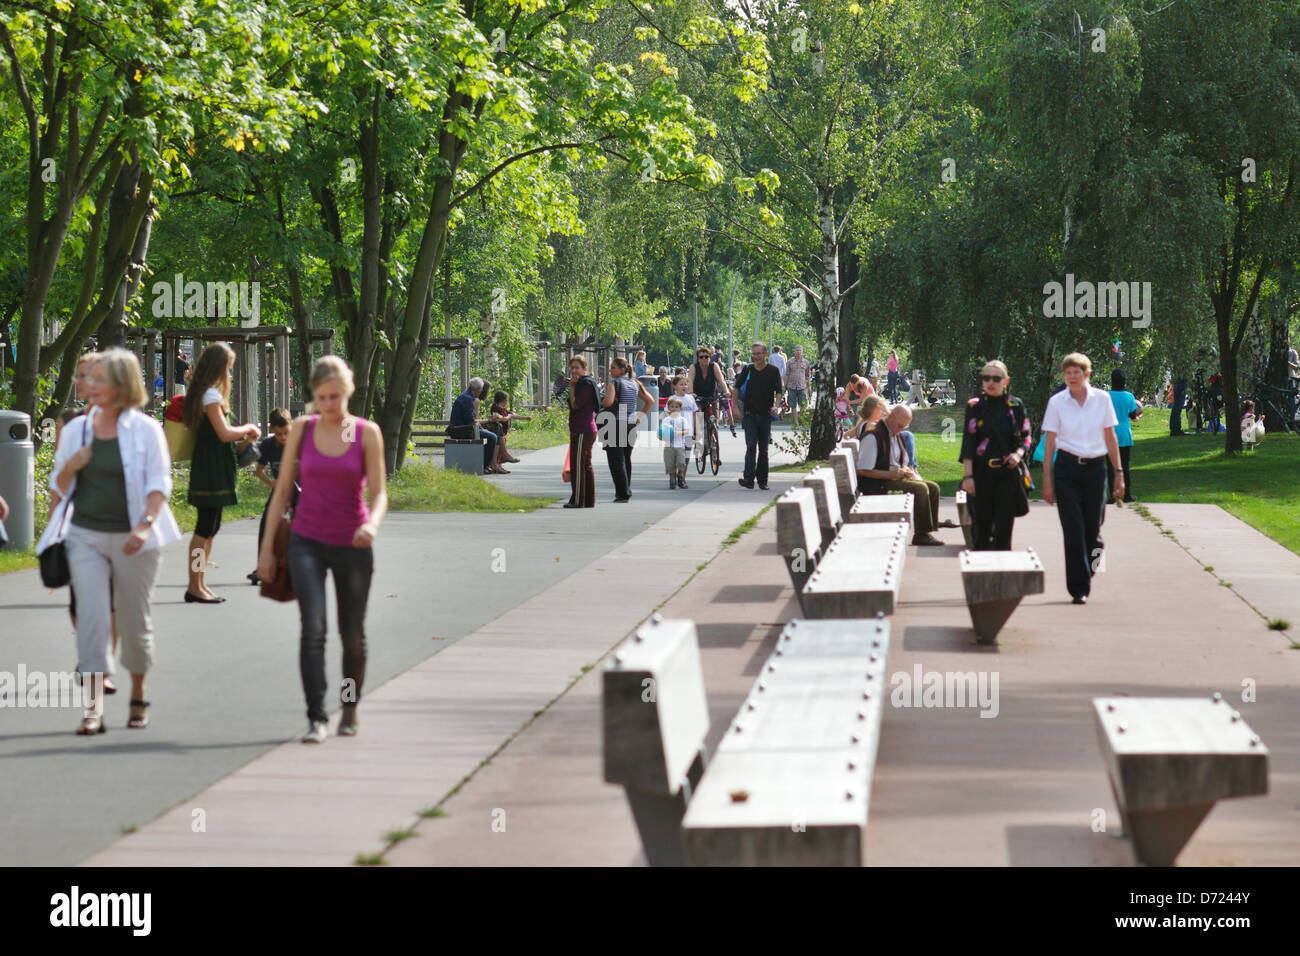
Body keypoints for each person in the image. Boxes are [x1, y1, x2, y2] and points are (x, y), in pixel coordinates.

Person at [39, 348, 182, 735]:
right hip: (84, 536)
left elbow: (160, 483)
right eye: (91, 379)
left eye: (100, 379)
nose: (91, 385)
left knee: (134, 621)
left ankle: (138, 693)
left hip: (136, 539)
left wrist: (143, 526)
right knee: (91, 619)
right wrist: (71, 465)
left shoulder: (147, 430)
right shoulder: (76, 430)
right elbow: (59, 485)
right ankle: (93, 709)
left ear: (122, 384)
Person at [258, 356, 388, 743]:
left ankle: (349, 706)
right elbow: (282, 490)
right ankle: (316, 716)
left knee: (352, 633)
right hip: (306, 540)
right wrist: (266, 550)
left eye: (335, 397)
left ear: (347, 392)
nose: (329, 405)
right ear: (313, 396)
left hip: (352, 541)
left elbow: (380, 493)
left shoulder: (367, 433)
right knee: (313, 628)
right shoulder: (302, 429)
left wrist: (371, 524)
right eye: (321, 398)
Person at [1041, 352, 1123, 605]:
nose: (1072, 377)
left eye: (1077, 372)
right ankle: (1079, 588)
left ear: (1087, 374)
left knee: (1092, 531)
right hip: (1067, 469)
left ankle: (1094, 560)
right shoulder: (1057, 402)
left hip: (1096, 470)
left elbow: (1110, 437)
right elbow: (1050, 442)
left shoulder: (1102, 399)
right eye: (1068, 373)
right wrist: (1047, 479)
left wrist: (1118, 473)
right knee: (1073, 529)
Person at [183, 343, 261, 604]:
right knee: (204, 528)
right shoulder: (211, 396)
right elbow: (224, 433)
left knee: (210, 527)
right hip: (211, 467)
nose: (230, 373)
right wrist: (248, 427)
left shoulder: (205, 393)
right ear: (218, 367)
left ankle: (199, 583)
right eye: (228, 368)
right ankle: (194, 585)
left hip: (212, 464)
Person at [959, 361, 1034, 551]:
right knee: (981, 533)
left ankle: (1002, 574)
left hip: (1007, 475)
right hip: (981, 474)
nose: (991, 382)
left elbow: (1026, 438)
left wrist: (1017, 455)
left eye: (996, 378)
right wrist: (967, 476)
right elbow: (968, 441)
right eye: (986, 378)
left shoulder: (1015, 405)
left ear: (1005, 381)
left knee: (1003, 532)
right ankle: (982, 577)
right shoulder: (975, 406)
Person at [856, 405, 945, 546]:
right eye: (899, 425)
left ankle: (928, 529)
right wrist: (890, 474)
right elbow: (862, 470)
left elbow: (898, 460)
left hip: (894, 476)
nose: (901, 429)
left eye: (904, 426)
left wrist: (906, 470)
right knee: (921, 489)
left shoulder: (894, 433)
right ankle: (921, 534)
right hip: (879, 482)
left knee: (933, 487)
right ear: (890, 417)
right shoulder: (873, 436)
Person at [247, 407, 293, 586]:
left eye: (286, 433)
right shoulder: (268, 445)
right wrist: (273, 484)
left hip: (299, 490)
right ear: (273, 430)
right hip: (279, 489)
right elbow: (258, 471)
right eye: (279, 434)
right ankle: (262, 567)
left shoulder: (298, 441)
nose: (283, 437)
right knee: (267, 524)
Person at [600, 357, 654, 502]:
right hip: (630, 423)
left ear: (622, 369)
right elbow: (650, 400)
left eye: (613, 368)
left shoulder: (615, 383)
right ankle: (626, 488)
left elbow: (608, 402)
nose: (611, 370)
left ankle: (622, 493)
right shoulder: (635, 383)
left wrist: (602, 400)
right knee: (626, 458)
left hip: (615, 423)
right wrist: (639, 416)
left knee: (615, 460)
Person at [734, 342, 783, 490]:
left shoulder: (773, 371)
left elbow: (779, 391)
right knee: (750, 446)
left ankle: (763, 481)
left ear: (765, 354)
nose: (755, 357)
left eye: (758, 354)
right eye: (753, 354)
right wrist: (735, 408)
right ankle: (748, 479)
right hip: (749, 414)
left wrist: (776, 406)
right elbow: (736, 388)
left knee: (763, 449)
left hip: (765, 414)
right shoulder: (748, 369)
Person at [565, 355, 600, 508]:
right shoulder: (586, 383)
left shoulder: (585, 384)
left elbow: (575, 405)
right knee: (585, 464)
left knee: (578, 466)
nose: (574, 371)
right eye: (572, 368)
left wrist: (572, 387)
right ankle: (588, 500)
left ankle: (578, 500)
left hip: (583, 430)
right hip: (585, 428)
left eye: (577, 368)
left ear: (584, 369)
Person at [447, 377, 502, 473]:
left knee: (494, 431)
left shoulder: (467, 396)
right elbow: (472, 421)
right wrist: (487, 421)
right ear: (477, 390)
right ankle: (484, 465)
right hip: (461, 431)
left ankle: (492, 463)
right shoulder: (467, 399)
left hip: (464, 428)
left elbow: (471, 420)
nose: (480, 393)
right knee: (492, 437)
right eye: (480, 391)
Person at [1106, 369, 1140, 503]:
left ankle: (1112, 495)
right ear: (1124, 382)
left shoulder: (1106, 395)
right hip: (1125, 434)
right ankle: (1127, 495)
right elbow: (1132, 415)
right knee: (1124, 466)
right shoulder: (1129, 396)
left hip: (1109, 434)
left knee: (1110, 466)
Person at [686, 345, 733, 439]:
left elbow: (721, 380)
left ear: (710, 358)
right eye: (701, 357)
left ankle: (713, 441)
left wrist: (726, 391)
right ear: (698, 359)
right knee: (698, 414)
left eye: (706, 357)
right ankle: (698, 438)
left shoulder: (714, 366)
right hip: (698, 397)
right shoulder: (693, 367)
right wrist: (691, 393)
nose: (704, 359)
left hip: (712, 397)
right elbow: (690, 380)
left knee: (714, 419)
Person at [487, 390, 530, 466]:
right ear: (504, 400)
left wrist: (525, 418)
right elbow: (502, 418)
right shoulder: (495, 408)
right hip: (498, 432)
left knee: (500, 450)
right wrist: (509, 416)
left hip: (503, 433)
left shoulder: (504, 410)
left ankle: (499, 464)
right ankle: (497, 464)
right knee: (499, 450)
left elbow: (514, 415)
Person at [660, 396, 693, 489]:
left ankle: (680, 474)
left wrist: (679, 433)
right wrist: (662, 435)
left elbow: (686, 431)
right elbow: (662, 431)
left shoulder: (683, 420)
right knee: (670, 464)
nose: (674, 409)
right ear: (669, 408)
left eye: (676, 407)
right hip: (669, 446)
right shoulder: (666, 420)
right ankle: (672, 479)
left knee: (681, 462)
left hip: (680, 445)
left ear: (680, 409)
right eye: (672, 407)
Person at [784, 345, 811, 423]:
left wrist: (809, 387)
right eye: (797, 350)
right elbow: (787, 374)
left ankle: (801, 420)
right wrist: (784, 386)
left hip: (802, 386)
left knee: (803, 404)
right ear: (794, 352)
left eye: (800, 350)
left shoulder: (806, 362)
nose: (798, 352)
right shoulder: (789, 362)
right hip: (791, 386)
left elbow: (807, 375)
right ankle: (796, 422)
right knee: (793, 405)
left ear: (802, 352)